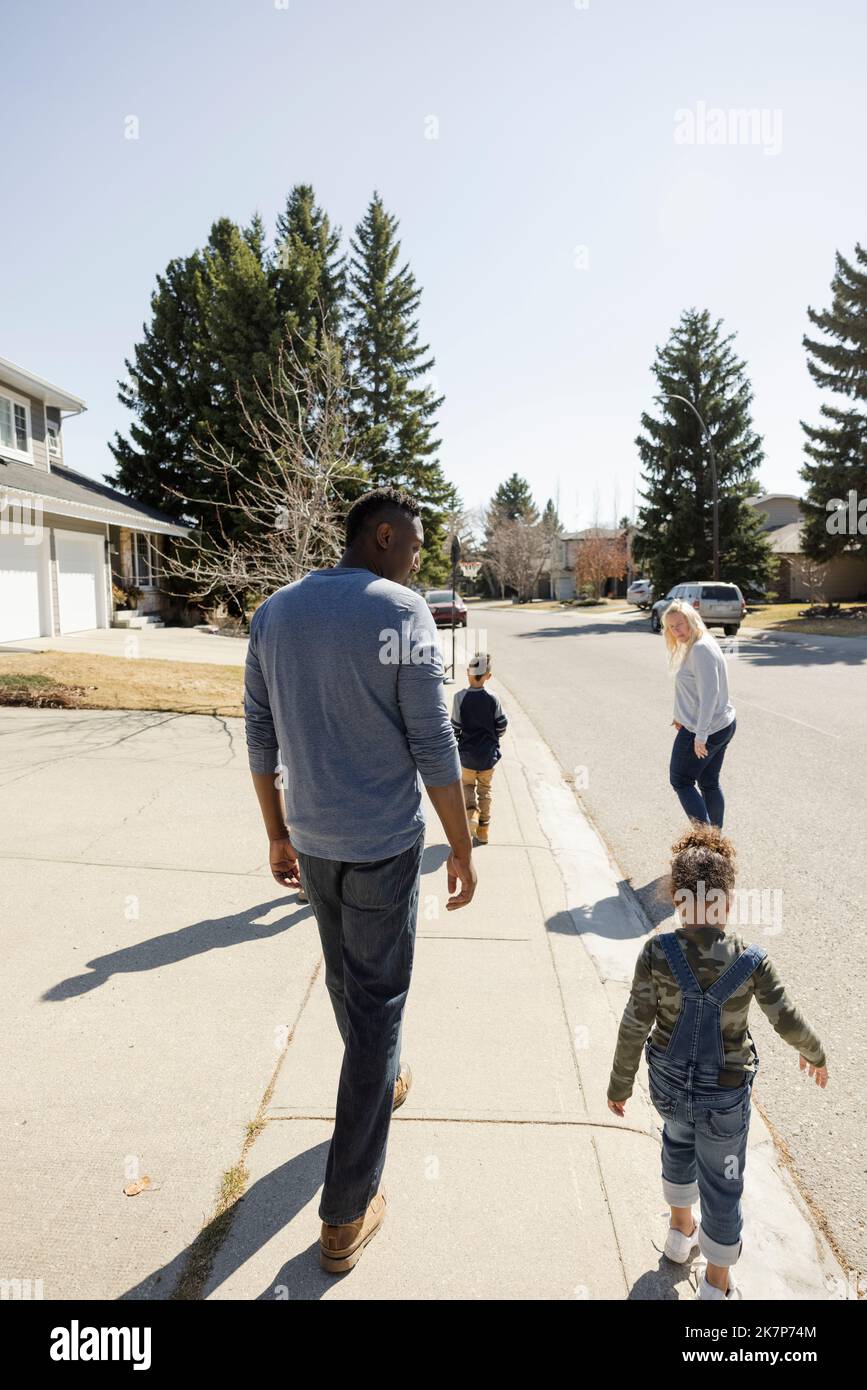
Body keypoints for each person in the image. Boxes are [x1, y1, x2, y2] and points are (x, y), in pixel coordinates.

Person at [243, 486, 477, 1274]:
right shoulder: (402, 612)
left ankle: (382, 1074)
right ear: (381, 537)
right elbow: (432, 741)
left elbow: (259, 730)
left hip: (312, 842)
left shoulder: (275, 613)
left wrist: (275, 831)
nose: (416, 561)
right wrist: (463, 845)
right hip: (378, 847)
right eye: (411, 546)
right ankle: (345, 1212)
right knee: (375, 1006)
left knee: (352, 986)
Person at [607, 825, 828, 1300]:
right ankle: (716, 1284)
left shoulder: (657, 952)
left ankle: (679, 1234)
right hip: (724, 1097)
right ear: (727, 902)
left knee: (677, 1149)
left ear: (675, 901)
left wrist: (619, 1085)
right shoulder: (751, 961)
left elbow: (634, 1023)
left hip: (668, 1087)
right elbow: (784, 1017)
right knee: (723, 1181)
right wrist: (815, 1053)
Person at [665, 600, 736, 828]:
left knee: (681, 780)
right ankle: (715, 843)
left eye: (680, 624)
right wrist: (679, 714)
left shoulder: (701, 648)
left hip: (705, 729)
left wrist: (701, 735)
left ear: (692, 620)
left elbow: (710, 695)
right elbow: (695, 690)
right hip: (721, 724)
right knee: (708, 782)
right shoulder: (701, 642)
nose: (676, 631)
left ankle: (706, 841)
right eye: (671, 627)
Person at [450, 652, 508, 844]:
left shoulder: (460, 697)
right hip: (488, 757)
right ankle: (483, 831)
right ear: (488, 676)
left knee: (467, 786)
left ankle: (471, 814)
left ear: (468, 673)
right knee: (485, 790)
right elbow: (502, 725)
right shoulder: (493, 698)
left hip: (466, 755)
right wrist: (493, 738)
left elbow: (455, 727)